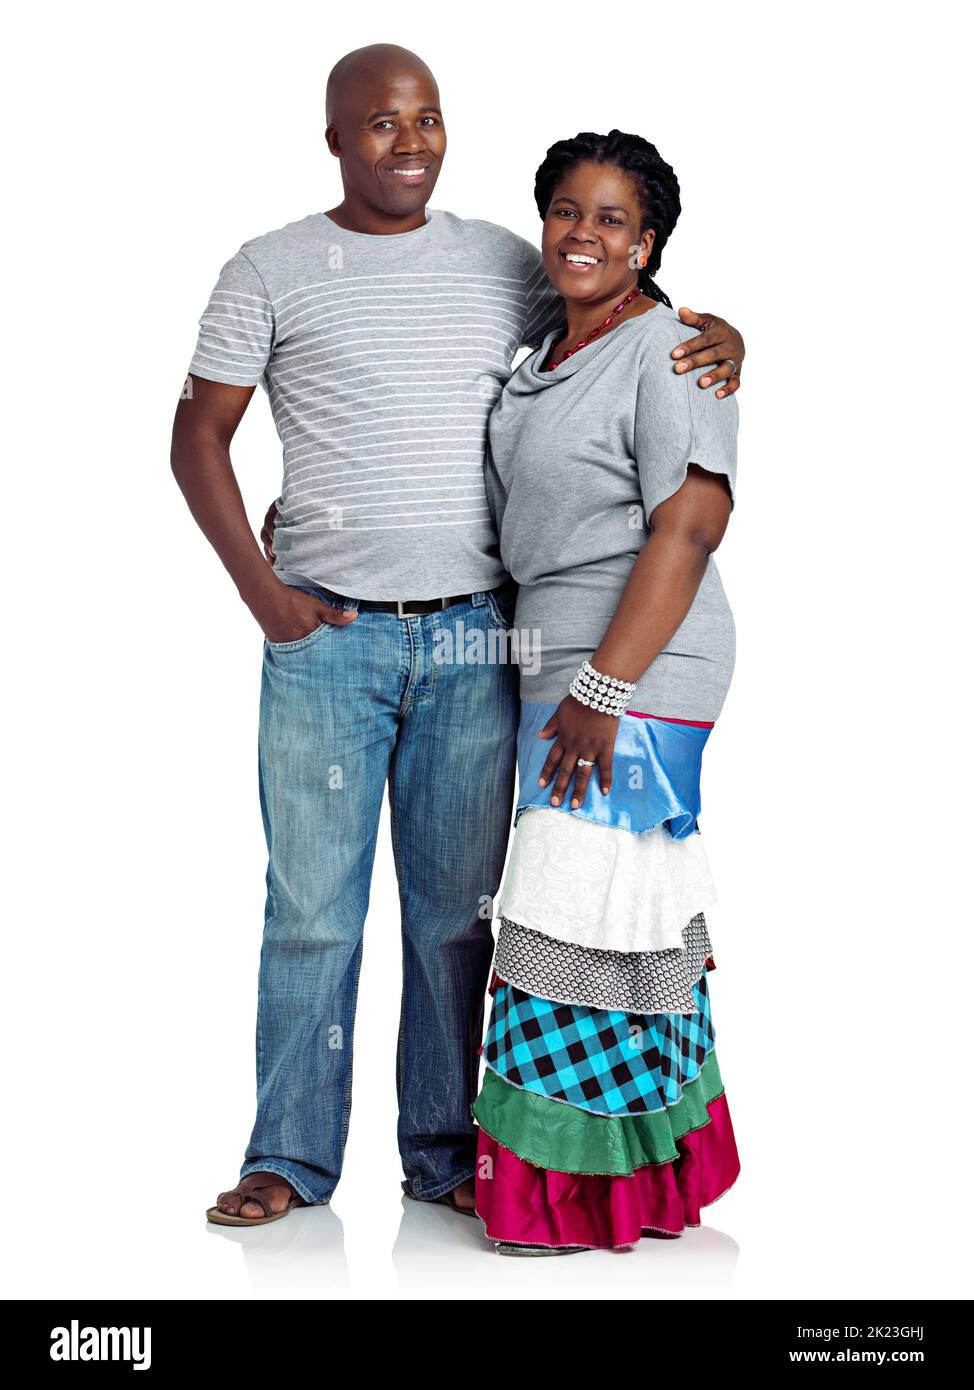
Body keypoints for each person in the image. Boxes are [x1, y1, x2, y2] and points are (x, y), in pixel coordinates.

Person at [170, 43, 745, 1227]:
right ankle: (289, 1156)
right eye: (380, 123)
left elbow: (627, 321)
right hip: (327, 641)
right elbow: (196, 439)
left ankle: (442, 1154)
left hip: (485, 645)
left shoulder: (505, 262)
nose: (410, 142)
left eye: (427, 119)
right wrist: (261, 593)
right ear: (335, 137)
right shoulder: (269, 267)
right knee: (313, 910)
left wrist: (719, 332)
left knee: (458, 914)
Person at [470, 129, 741, 1254]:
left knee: (573, 906)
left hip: (635, 668)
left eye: (611, 219)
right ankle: (654, 1175)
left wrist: (599, 685)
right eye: (566, 212)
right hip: (556, 667)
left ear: (649, 243)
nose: (582, 234)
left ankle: (576, 1197)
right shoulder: (541, 352)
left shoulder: (668, 349)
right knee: (607, 911)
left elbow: (689, 520)